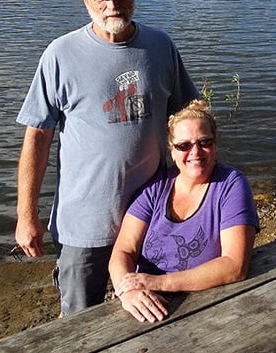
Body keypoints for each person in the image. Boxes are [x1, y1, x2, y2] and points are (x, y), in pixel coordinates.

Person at [15, 0, 199, 317]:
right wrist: (26, 216)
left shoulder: (160, 47)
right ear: (85, 0)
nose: (112, 3)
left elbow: (188, 119)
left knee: (158, 312)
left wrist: (201, 193)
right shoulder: (60, 55)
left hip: (152, 216)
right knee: (79, 324)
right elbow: (37, 137)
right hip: (86, 226)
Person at [109, 99, 259, 324]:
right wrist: (128, 291)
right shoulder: (155, 188)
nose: (195, 152)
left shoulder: (231, 185)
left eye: (204, 142)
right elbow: (123, 251)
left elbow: (234, 266)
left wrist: (158, 282)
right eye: (184, 145)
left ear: (215, 144)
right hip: (145, 304)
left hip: (207, 306)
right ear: (171, 149)